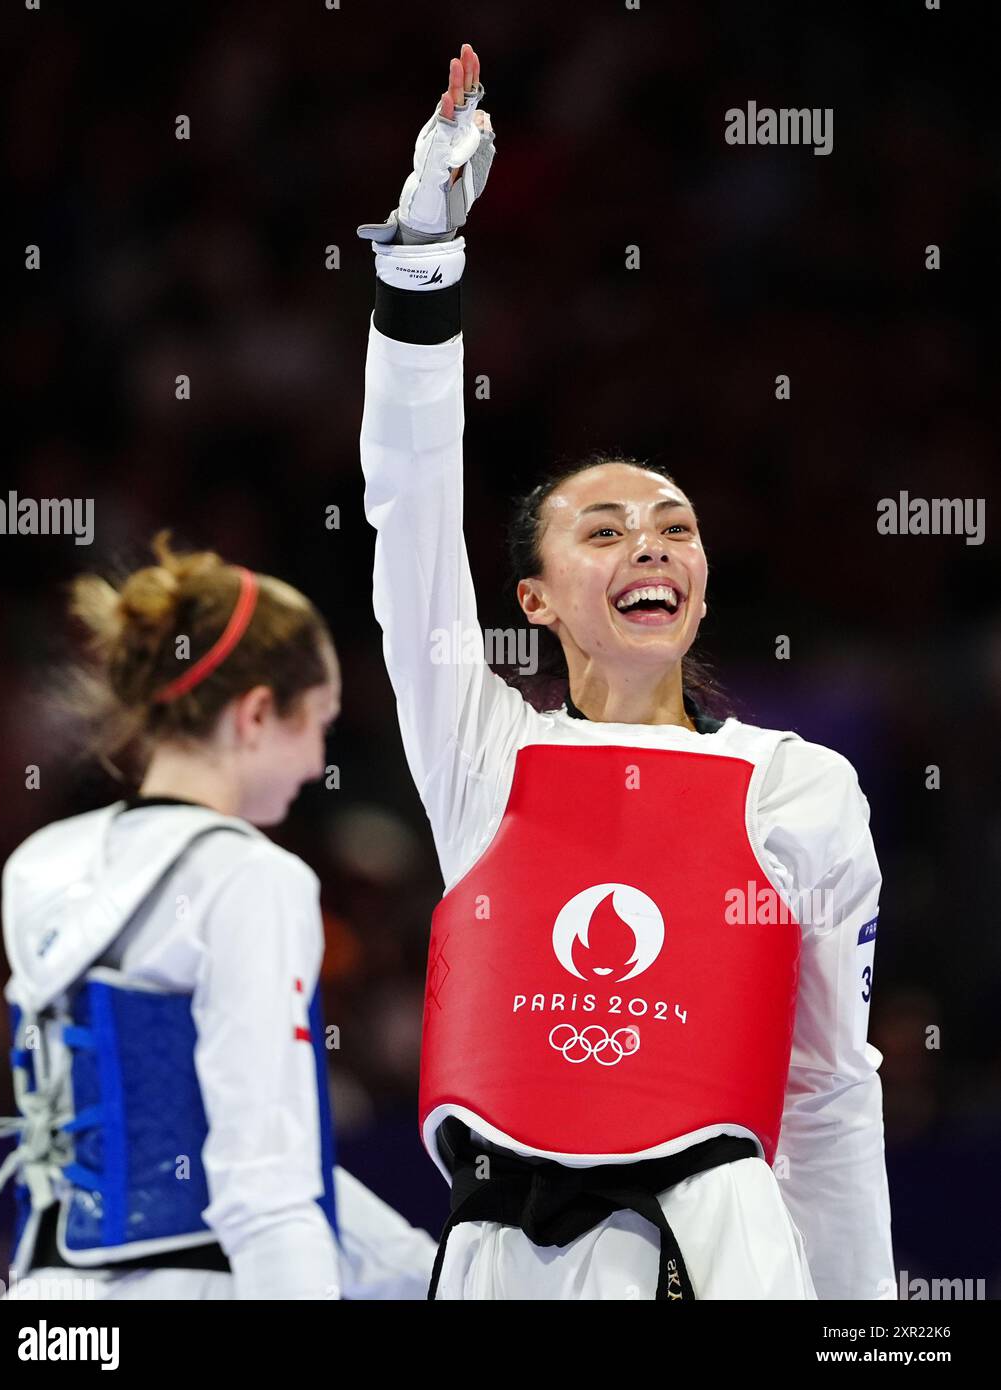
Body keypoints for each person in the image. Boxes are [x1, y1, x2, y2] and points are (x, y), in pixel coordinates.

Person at [357, 44, 895, 1300]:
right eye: (602, 529)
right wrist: (423, 273)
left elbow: (828, 1088)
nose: (649, 542)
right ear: (533, 599)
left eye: (674, 526)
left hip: (721, 1253)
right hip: (498, 1256)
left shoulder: (797, 787)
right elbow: (408, 513)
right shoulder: (485, 754)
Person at [0, 530, 436, 1300]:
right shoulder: (250, 877)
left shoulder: (41, 861)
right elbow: (263, 1180)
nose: (313, 760)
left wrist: (424, 1269)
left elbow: (190, 1129)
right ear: (258, 713)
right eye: (318, 722)